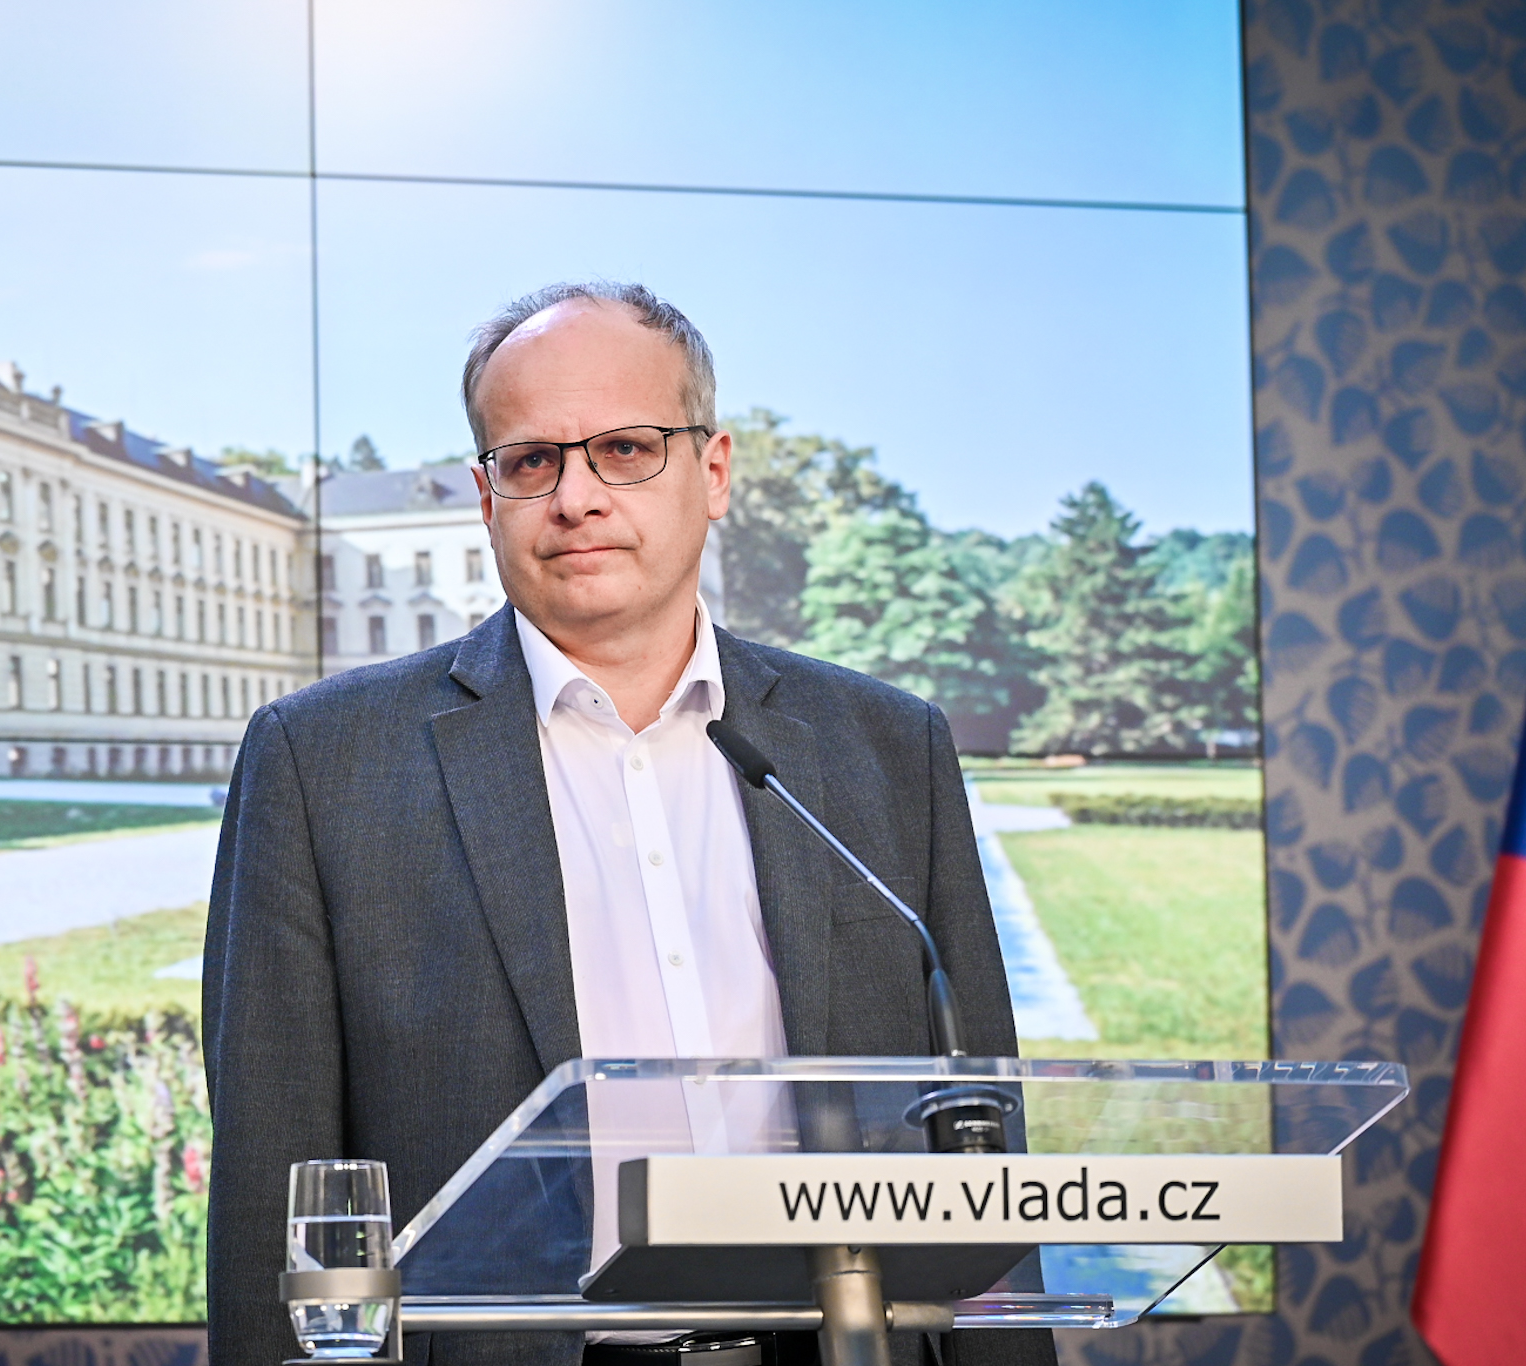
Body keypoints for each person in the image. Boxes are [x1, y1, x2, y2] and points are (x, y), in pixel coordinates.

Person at [203, 282, 1055, 1366]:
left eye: (624, 448)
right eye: (530, 461)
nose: (574, 496)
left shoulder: (886, 749)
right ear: (485, 497)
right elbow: (273, 1183)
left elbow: (979, 1152)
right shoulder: (322, 763)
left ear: (712, 472)